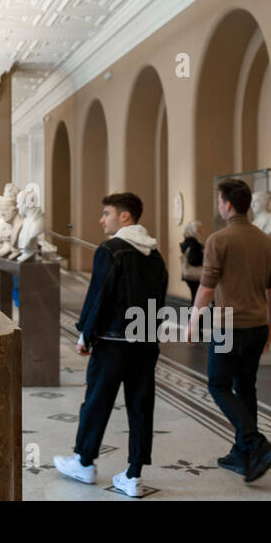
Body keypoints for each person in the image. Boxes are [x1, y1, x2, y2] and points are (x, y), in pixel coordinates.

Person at [54, 192, 167, 497]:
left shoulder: (111, 250)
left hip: (111, 342)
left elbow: (99, 295)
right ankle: (133, 475)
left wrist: (85, 334)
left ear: (125, 216)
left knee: (97, 401)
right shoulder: (155, 256)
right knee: (141, 407)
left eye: (106, 213)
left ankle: (85, 462)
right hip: (144, 343)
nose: (102, 219)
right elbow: (160, 302)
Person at [188, 178, 271, 482]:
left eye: (219, 200)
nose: (218, 204)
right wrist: (269, 325)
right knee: (246, 388)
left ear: (228, 204)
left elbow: (206, 287)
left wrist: (192, 321)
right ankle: (243, 454)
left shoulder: (219, 240)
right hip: (256, 326)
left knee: (218, 385)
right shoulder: (265, 241)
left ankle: (255, 442)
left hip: (228, 327)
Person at [180, 221, 204, 304]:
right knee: (196, 298)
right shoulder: (194, 243)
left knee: (195, 297)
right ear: (194, 230)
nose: (201, 231)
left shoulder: (188, 242)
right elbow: (194, 260)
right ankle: (196, 316)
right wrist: (204, 260)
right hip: (195, 276)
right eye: (199, 229)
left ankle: (194, 315)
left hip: (189, 276)